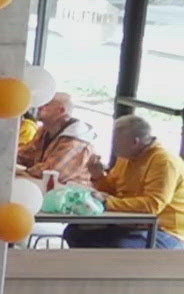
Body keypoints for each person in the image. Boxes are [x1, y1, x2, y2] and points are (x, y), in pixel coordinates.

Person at [64, 115, 184, 249]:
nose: (113, 146)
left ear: (135, 142)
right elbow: (112, 191)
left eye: (117, 141)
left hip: (164, 230)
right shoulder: (127, 157)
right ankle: (89, 269)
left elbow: (153, 205)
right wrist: (97, 175)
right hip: (129, 223)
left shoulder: (164, 162)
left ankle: (102, 269)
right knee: (75, 232)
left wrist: (106, 203)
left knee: (119, 246)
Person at [18, 92, 99, 182]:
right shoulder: (45, 130)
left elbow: (53, 173)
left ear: (61, 111)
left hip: (70, 193)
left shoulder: (77, 140)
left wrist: (24, 171)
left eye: (46, 104)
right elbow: (25, 155)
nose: (40, 107)